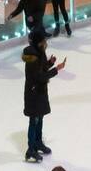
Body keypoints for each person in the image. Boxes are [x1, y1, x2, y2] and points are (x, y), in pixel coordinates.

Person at [22, 30, 65, 163]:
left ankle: (38, 143)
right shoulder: (33, 57)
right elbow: (39, 76)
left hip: (39, 92)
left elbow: (41, 69)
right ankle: (31, 149)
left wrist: (50, 63)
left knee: (39, 118)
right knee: (33, 121)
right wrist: (56, 70)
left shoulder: (38, 52)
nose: (46, 43)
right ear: (38, 43)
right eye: (44, 41)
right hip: (34, 93)